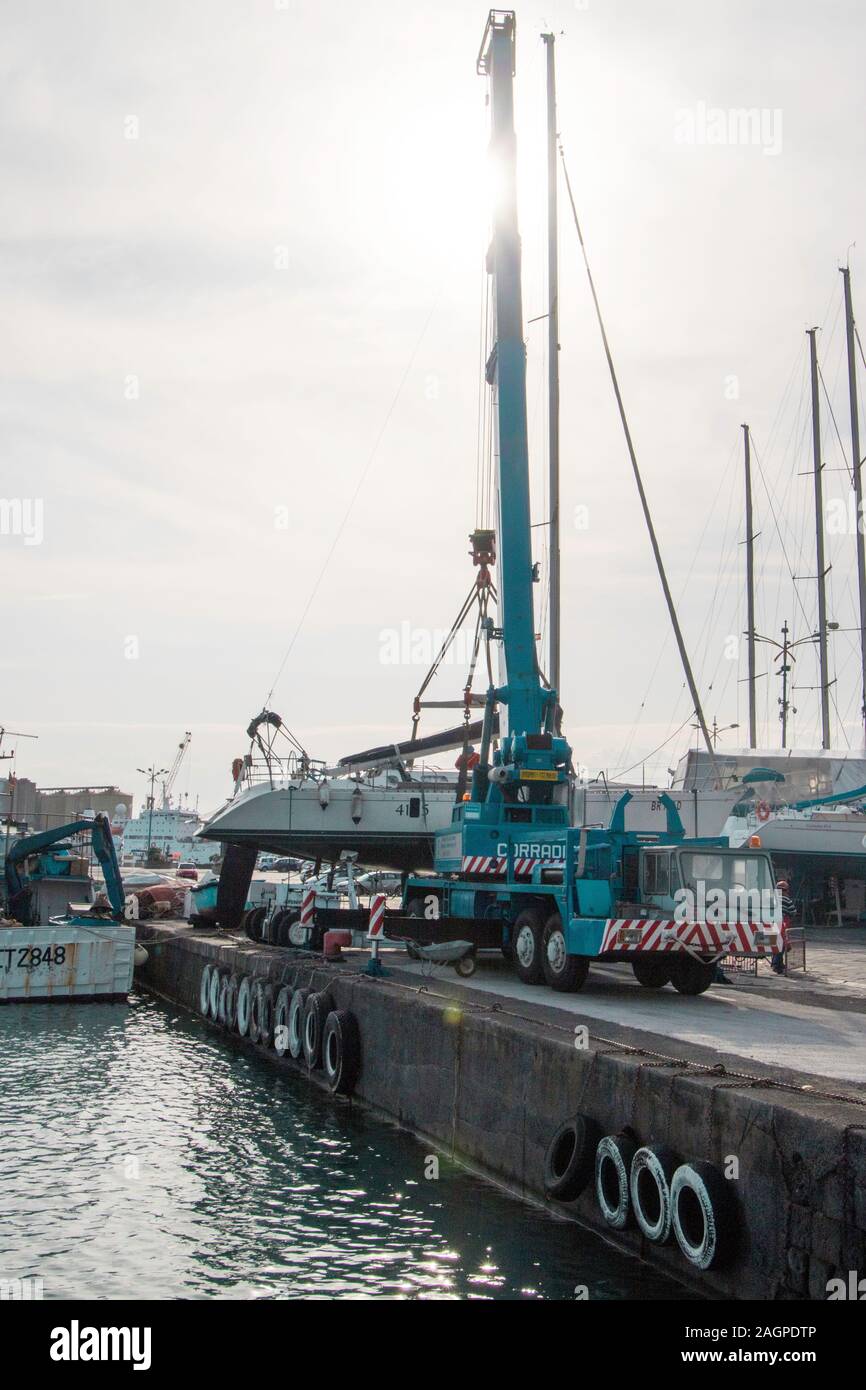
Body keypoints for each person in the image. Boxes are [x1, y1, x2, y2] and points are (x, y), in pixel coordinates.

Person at [772, 878, 793, 975]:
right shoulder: (787, 899)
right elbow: (793, 911)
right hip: (782, 925)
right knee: (781, 945)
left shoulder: (772, 898)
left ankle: (776, 963)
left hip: (771, 924)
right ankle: (777, 966)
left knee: (774, 943)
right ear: (786, 890)